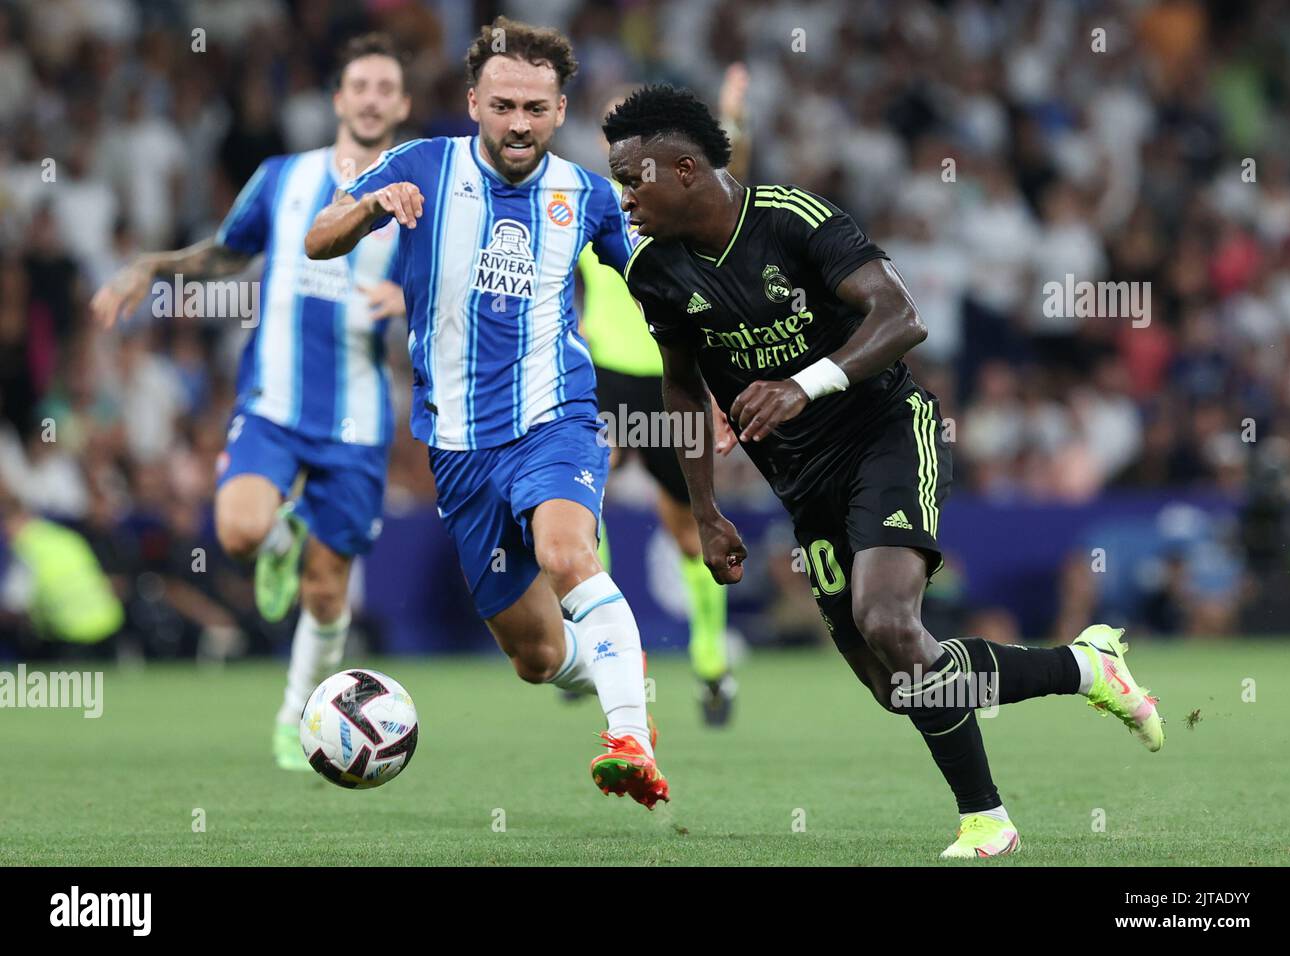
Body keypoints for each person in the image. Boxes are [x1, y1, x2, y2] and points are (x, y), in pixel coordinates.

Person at [605, 84, 1165, 856]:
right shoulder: (654, 273)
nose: (623, 196)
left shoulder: (795, 220)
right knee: (895, 681)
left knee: (889, 621)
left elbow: (903, 317)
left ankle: (986, 820)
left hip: (885, 434)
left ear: (686, 169)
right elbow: (681, 386)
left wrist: (805, 384)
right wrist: (704, 511)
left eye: (633, 179)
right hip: (801, 479)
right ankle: (1084, 668)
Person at [304, 18, 667, 809]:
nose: (518, 123)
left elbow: (662, 281)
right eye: (503, 105)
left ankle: (630, 735)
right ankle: (612, 660)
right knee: (536, 657)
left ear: (560, 109)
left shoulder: (587, 195)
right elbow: (317, 236)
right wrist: (370, 209)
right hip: (460, 448)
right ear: (473, 102)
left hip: (556, 416)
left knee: (568, 550)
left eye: (535, 108)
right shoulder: (420, 167)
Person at [91, 34, 410, 771]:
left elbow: (447, 290)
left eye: (384, 87)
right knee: (236, 531)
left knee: (327, 595)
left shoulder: (419, 187)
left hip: (359, 419)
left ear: (400, 103)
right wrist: (153, 266)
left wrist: (410, 299)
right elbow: (228, 253)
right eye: (358, 84)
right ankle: (276, 540)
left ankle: (297, 716)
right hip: (273, 400)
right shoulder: (283, 177)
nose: (370, 98)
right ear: (338, 99)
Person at [577, 66, 752, 726]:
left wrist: (735, 118)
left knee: (685, 525)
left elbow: (732, 184)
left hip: (667, 380)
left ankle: (710, 660)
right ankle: (593, 646)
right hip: (600, 375)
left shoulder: (677, 200)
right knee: (576, 499)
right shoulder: (593, 199)